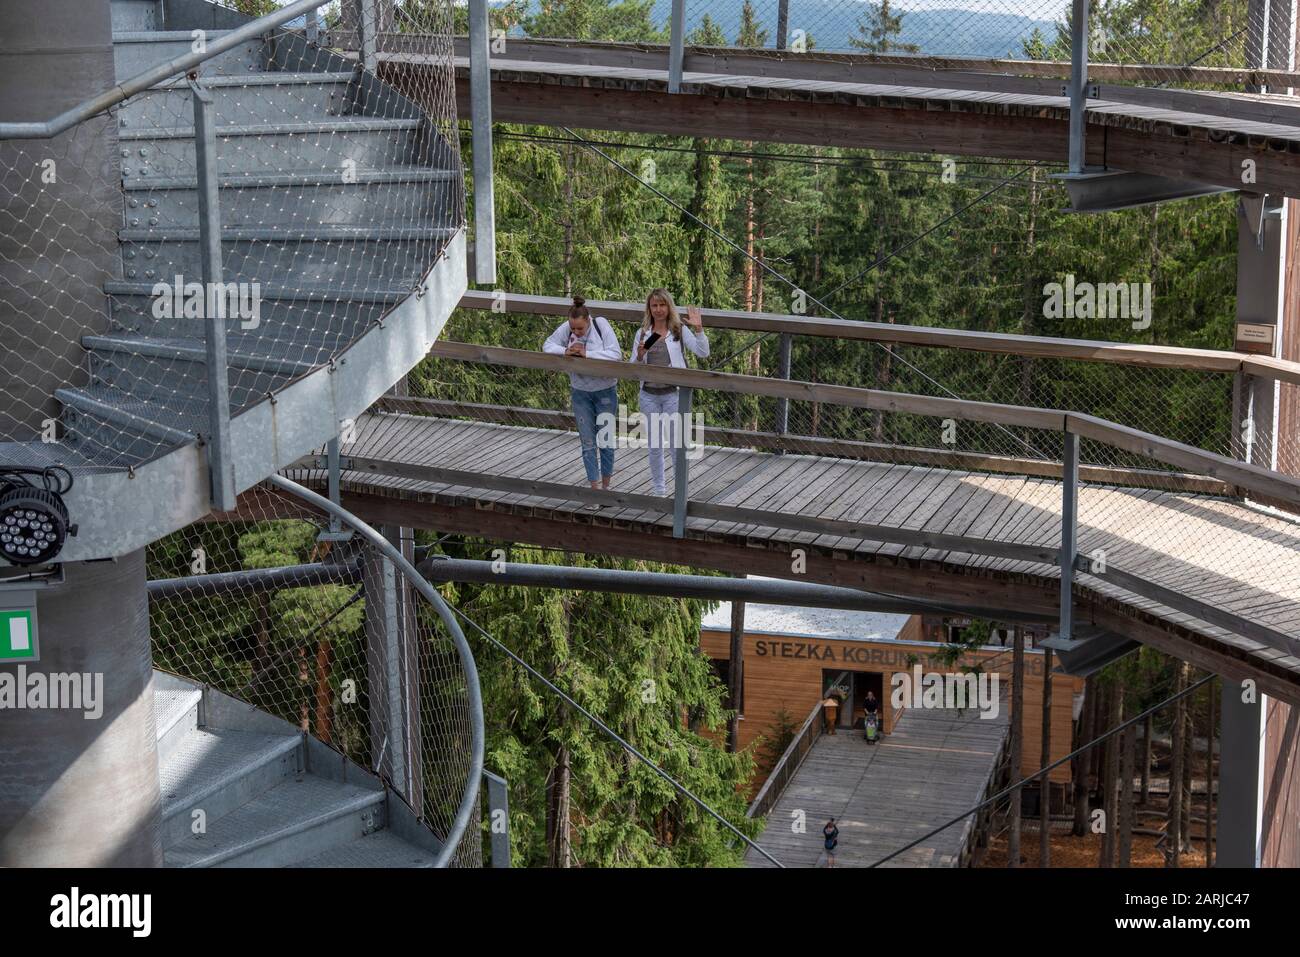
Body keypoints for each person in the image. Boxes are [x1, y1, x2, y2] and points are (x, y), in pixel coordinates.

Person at [630, 288, 709, 497]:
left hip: (673, 394)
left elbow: (703, 352)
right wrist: (639, 355)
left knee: (676, 444)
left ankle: (680, 491)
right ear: (649, 308)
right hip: (649, 394)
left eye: (662, 305)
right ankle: (659, 490)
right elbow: (632, 366)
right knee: (654, 445)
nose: (658, 310)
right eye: (654, 305)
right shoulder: (644, 333)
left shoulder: (678, 331)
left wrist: (699, 329)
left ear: (668, 307)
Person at [543, 297, 623, 494]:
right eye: (574, 329)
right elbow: (547, 345)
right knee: (587, 442)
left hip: (604, 390)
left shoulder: (600, 325)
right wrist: (566, 351)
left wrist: (587, 353)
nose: (576, 332)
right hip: (580, 391)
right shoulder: (567, 327)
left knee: (605, 440)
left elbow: (615, 354)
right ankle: (594, 489)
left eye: (580, 329)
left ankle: (606, 486)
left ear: (588, 320)